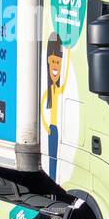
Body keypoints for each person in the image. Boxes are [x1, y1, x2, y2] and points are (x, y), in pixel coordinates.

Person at [40, 33, 68, 179]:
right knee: (51, 158)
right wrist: (46, 128)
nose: (55, 66)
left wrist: (67, 54)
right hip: (52, 130)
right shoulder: (48, 93)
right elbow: (43, 113)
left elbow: (67, 71)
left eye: (58, 62)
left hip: (55, 130)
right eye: (53, 62)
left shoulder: (59, 89)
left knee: (56, 158)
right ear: (48, 62)